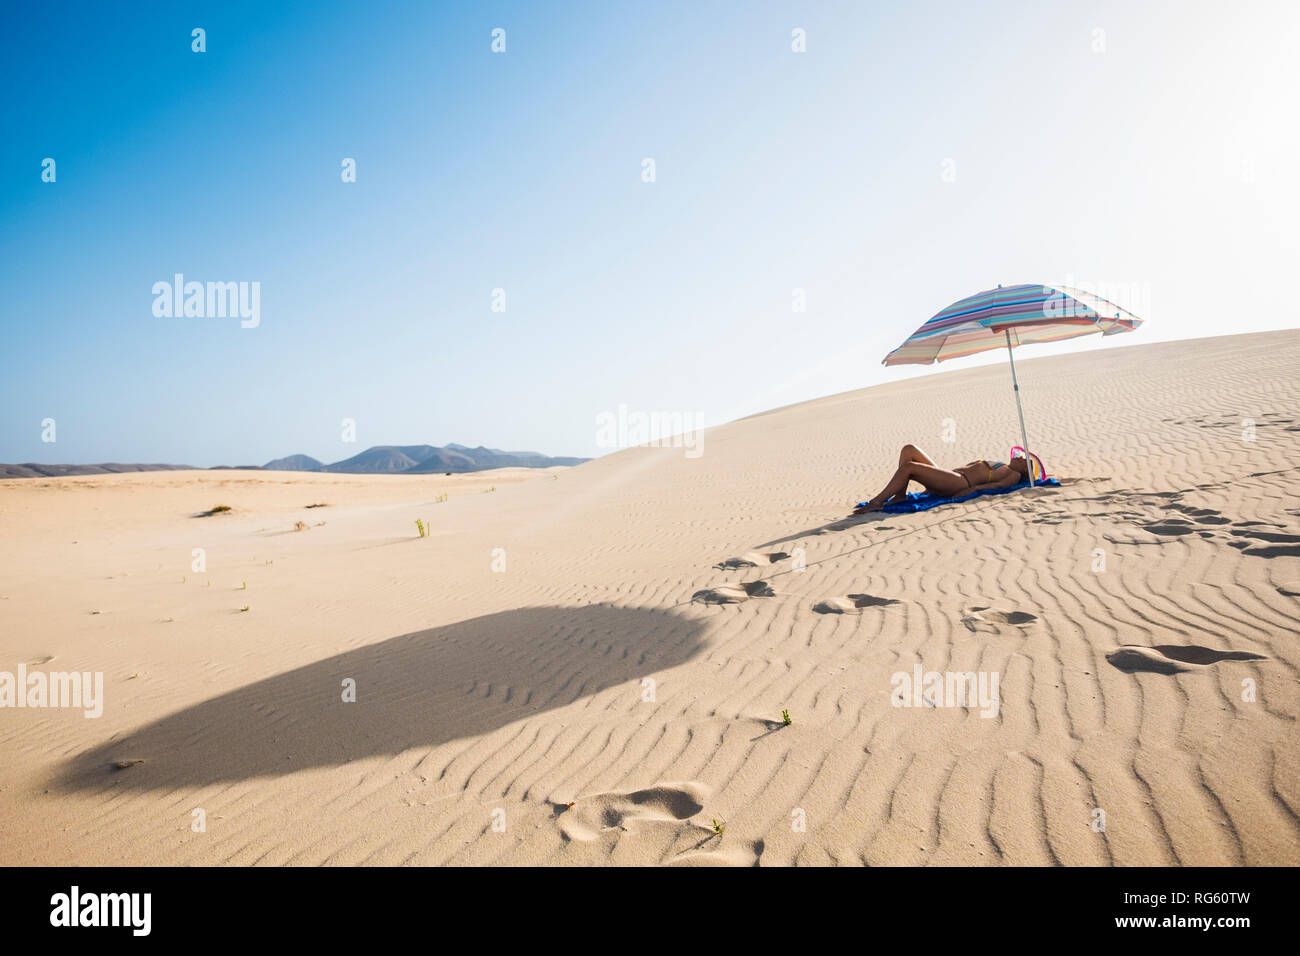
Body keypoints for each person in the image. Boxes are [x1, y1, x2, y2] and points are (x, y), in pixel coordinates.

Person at [852, 444, 1031, 513]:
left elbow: (995, 487)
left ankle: (877, 502)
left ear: (1024, 470)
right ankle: (899, 495)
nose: (1019, 457)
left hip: (958, 483)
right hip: (950, 476)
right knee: (909, 450)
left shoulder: (1013, 476)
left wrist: (968, 492)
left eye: (1024, 460)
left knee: (909, 468)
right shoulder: (1005, 465)